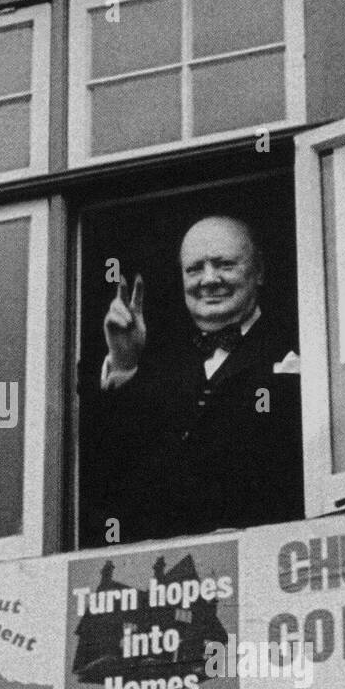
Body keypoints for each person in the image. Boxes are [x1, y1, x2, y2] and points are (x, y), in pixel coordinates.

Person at [95, 214, 303, 542]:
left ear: (259, 271)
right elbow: (110, 472)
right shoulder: (158, 365)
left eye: (224, 264)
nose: (208, 279)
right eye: (194, 269)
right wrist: (124, 364)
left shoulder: (303, 344)